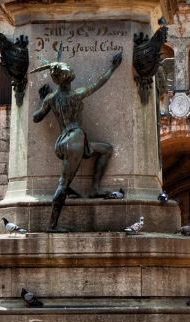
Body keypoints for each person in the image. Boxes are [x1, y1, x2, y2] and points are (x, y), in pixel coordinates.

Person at [32, 52, 123, 230]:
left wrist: (44, 101)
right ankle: (52, 225)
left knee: (106, 150)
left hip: (66, 140)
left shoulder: (52, 98)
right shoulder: (76, 95)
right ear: (66, 79)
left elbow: (36, 118)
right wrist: (112, 67)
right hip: (75, 139)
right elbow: (98, 83)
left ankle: (95, 188)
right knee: (64, 184)